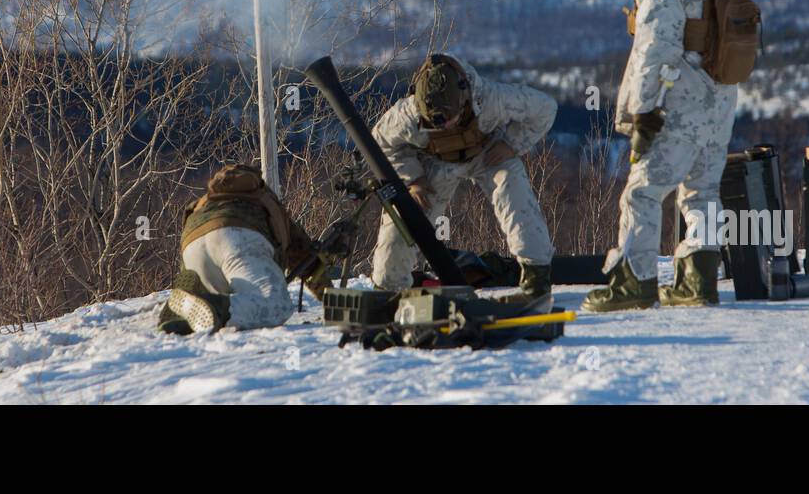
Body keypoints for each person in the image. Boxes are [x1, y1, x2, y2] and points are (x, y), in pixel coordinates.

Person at [584, 0, 743, 311]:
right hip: (719, 106)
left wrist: (644, 112)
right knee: (703, 192)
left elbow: (653, 53)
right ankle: (699, 283)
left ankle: (634, 283)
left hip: (677, 105)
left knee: (642, 192)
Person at [370, 53, 557, 297]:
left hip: (488, 152)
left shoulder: (491, 99)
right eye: (435, 123)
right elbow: (381, 142)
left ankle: (537, 276)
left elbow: (545, 108)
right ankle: (388, 289)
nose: (444, 126)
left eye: (449, 120)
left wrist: (512, 144)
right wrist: (413, 179)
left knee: (516, 200)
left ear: (464, 100)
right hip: (435, 162)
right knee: (406, 214)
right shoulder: (407, 115)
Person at [157, 161, 347, 334]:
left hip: (192, 247)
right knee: (276, 303)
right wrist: (332, 302)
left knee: (208, 301)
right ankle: (217, 307)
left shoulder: (204, 202)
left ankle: (186, 310)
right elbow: (305, 258)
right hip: (237, 240)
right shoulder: (263, 198)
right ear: (256, 180)